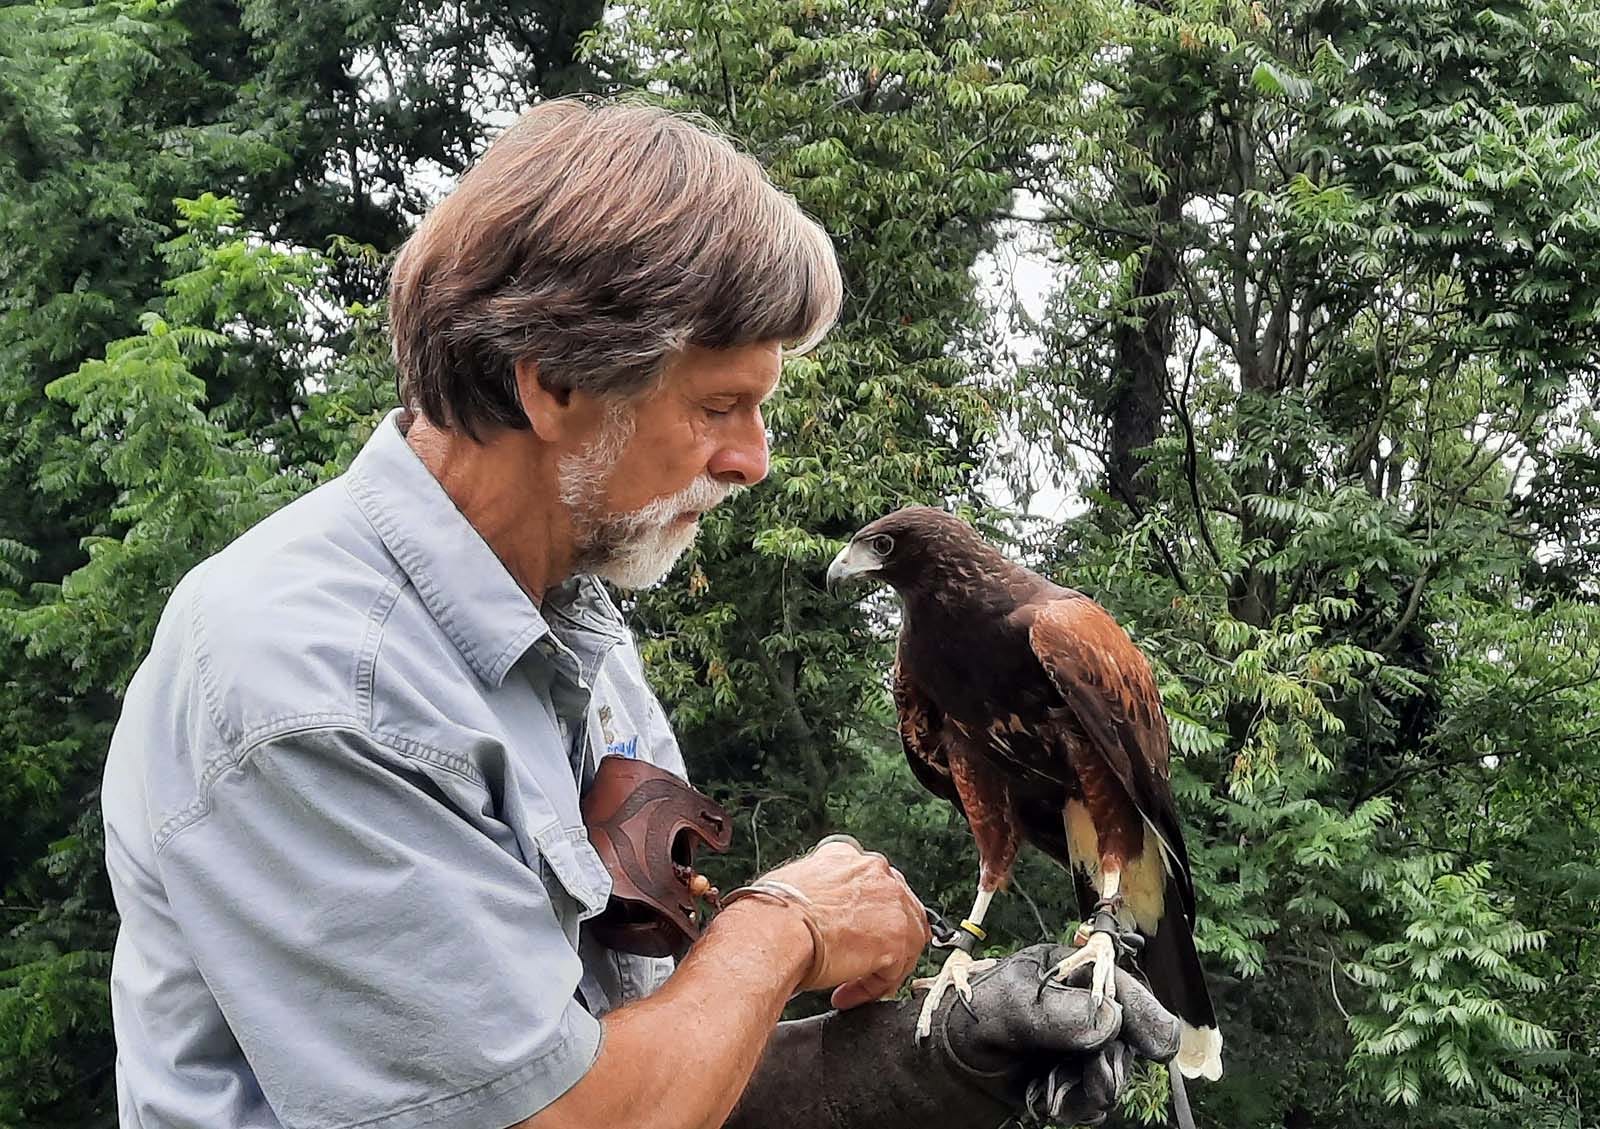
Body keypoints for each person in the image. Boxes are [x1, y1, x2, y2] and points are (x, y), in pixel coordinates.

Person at [101, 97, 1181, 1129]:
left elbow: (655, 1077)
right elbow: (554, 1117)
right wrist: (782, 929)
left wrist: (943, 1055)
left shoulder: (575, 637)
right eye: (719, 406)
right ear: (553, 385)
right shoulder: (316, 681)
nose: (754, 461)